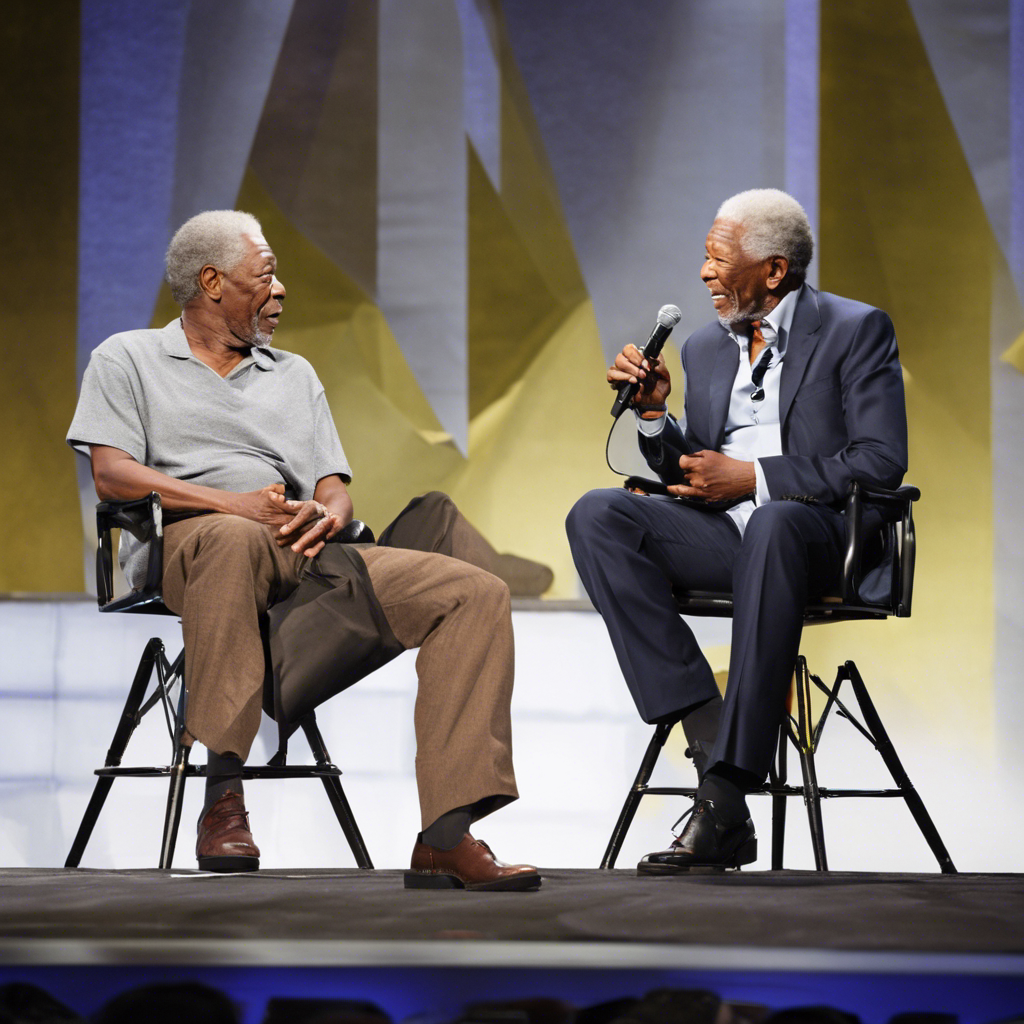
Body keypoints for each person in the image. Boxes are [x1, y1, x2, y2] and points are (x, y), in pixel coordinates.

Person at [68, 210, 541, 891]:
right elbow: (112, 474)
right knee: (231, 539)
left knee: (473, 591)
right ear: (212, 283)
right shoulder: (128, 358)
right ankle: (222, 797)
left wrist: (326, 514)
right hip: (188, 541)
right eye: (265, 275)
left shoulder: (294, 374)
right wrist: (234, 505)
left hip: (299, 545)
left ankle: (445, 836)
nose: (282, 290)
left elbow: (332, 489)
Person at [566, 189, 907, 872]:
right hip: (729, 537)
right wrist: (655, 418)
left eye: (719, 259)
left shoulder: (856, 329)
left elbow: (880, 461)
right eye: (705, 257)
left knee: (775, 522)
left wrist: (755, 479)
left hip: (822, 539)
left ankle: (724, 796)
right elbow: (695, 470)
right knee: (598, 515)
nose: (704, 273)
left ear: (775, 270)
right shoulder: (704, 347)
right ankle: (710, 735)